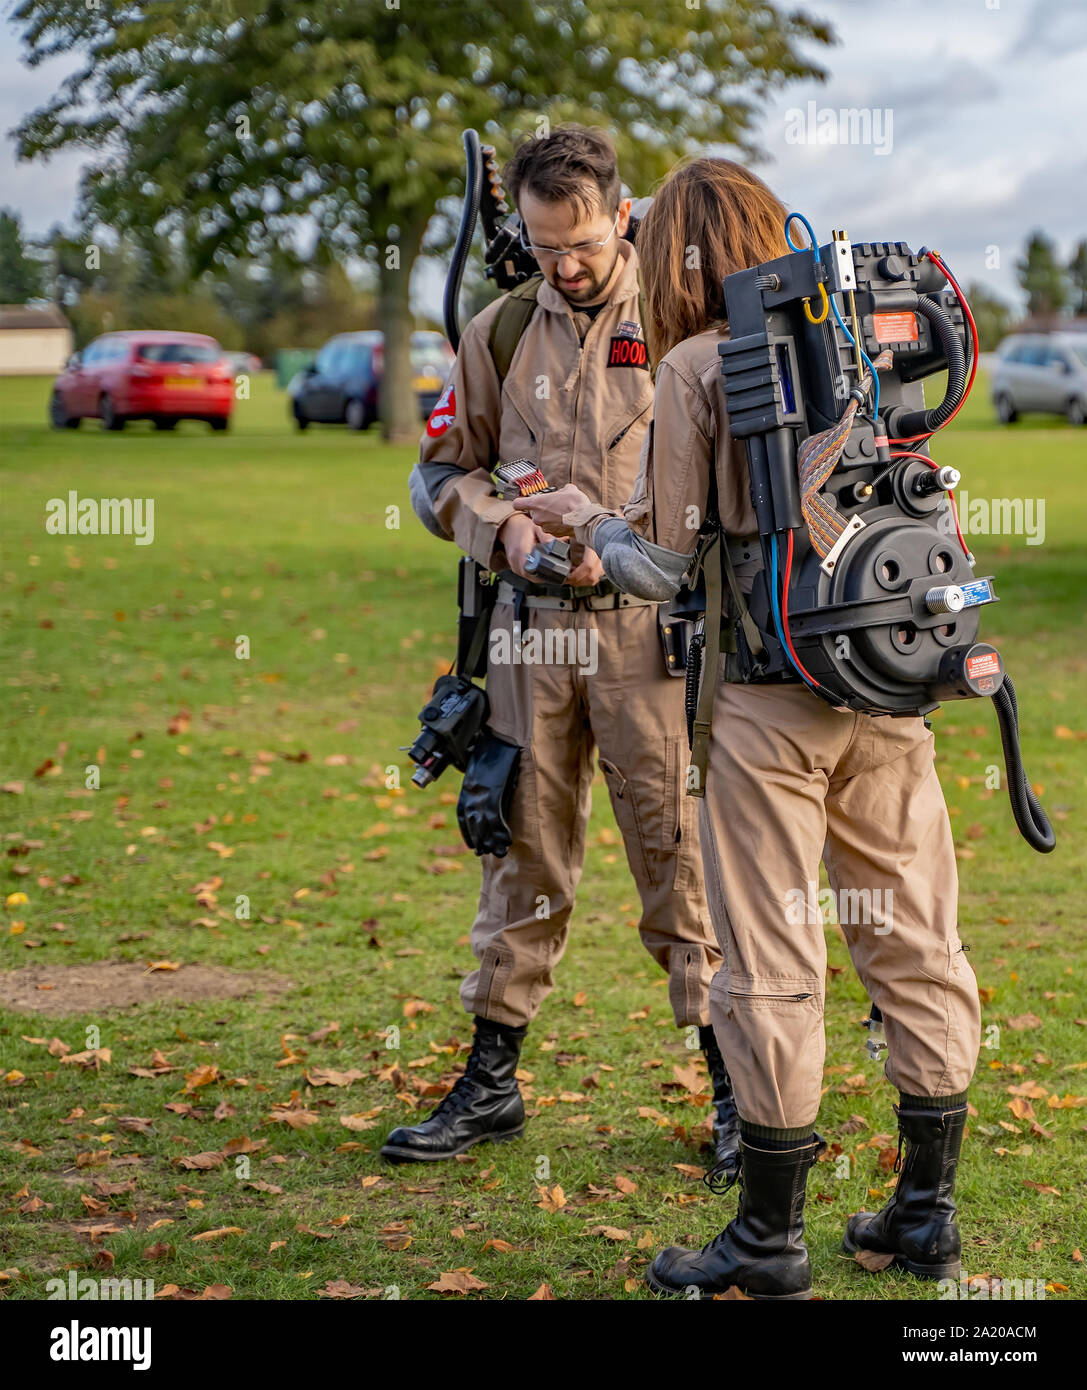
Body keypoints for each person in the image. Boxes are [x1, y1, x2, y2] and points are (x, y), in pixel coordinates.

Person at [513, 157, 982, 1300]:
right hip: (883, 679)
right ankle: (925, 1214)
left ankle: (768, 1240)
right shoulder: (859, 347)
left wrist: (588, 521)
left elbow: (663, 563)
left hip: (766, 702)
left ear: (672, 254)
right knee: (915, 938)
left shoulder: (689, 365)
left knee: (770, 961)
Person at [389, 127, 739, 1171]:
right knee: (519, 864)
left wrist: (617, 549)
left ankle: (736, 1094)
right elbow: (437, 471)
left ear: (620, 216)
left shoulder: (685, 327)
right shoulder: (496, 331)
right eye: (543, 247)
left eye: (579, 243)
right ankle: (491, 1084)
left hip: (650, 643)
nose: (563, 266)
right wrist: (495, 523)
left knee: (681, 870)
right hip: (526, 644)